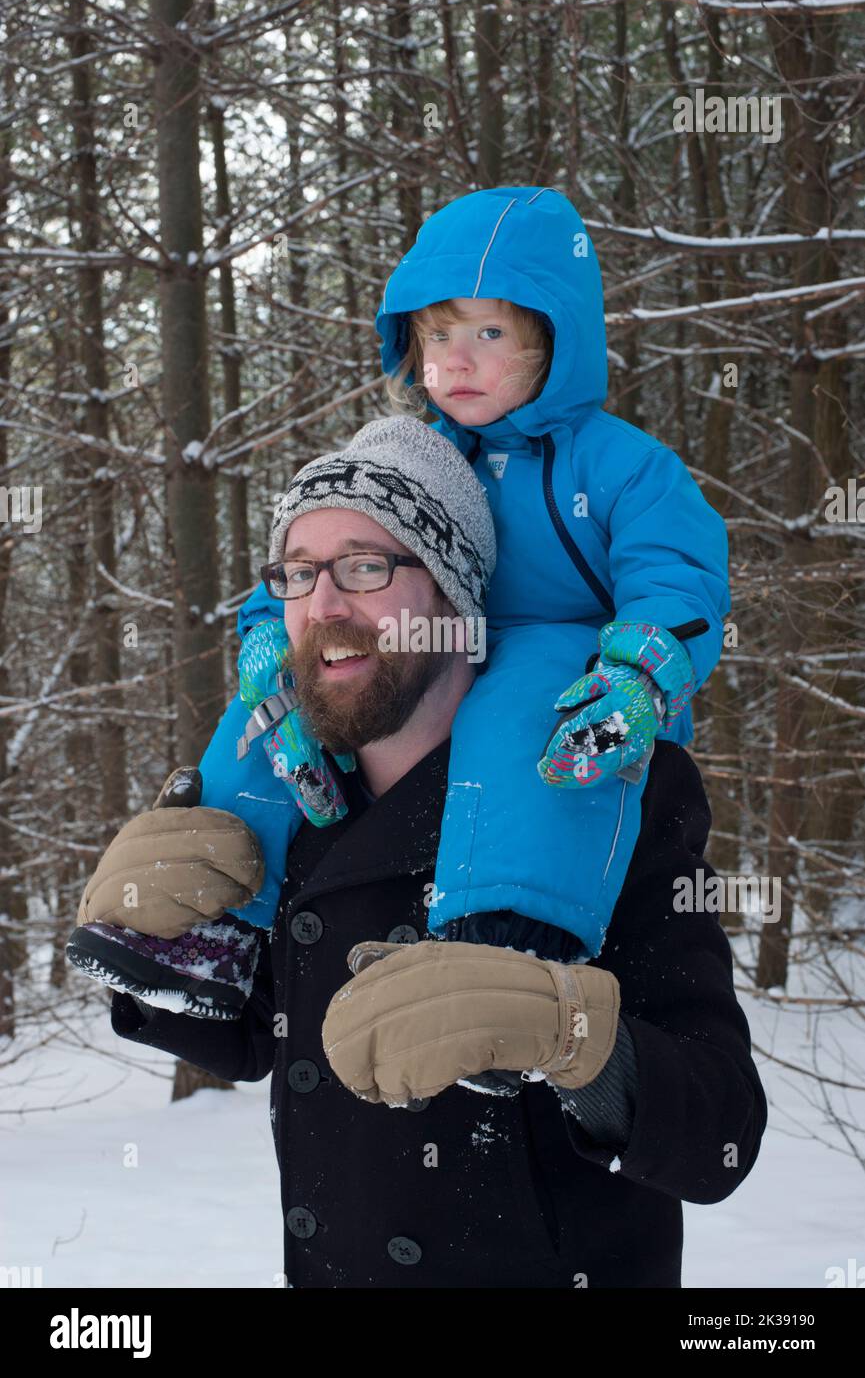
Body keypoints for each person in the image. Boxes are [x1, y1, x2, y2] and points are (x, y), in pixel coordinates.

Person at [94, 442, 766, 1287]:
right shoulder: (291, 800)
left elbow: (720, 1133)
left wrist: (575, 1039)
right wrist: (150, 934)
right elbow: (238, 1040)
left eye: (366, 566)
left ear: (453, 596)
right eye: (296, 574)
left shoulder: (605, 785)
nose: (324, 603)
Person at [68, 185, 729, 1019]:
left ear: (555, 340)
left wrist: (638, 671)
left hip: (566, 663)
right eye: (436, 335)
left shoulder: (620, 466)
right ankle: (207, 923)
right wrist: (273, 631)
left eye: (488, 333)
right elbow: (324, 548)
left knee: (513, 711)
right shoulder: (416, 453)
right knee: (273, 710)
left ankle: (505, 936)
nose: (454, 361)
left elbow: (676, 574)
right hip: (428, 643)